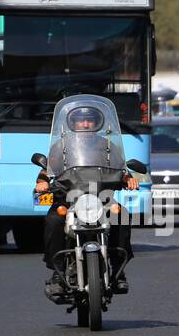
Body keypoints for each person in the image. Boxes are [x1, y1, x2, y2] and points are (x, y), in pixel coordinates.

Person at [38, 104, 138, 296]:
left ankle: (118, 270)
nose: (85, 124)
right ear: (73, 123)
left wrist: (129, 179)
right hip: (68, 198)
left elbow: (122, 169)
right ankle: (58, 273)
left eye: (89, 120)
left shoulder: (108, 145)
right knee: (53, 220)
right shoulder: (62, 146)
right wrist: (42, 183)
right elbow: (45, 171)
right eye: (80, 120)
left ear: (97, 123)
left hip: (101, 198)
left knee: (121, 214)